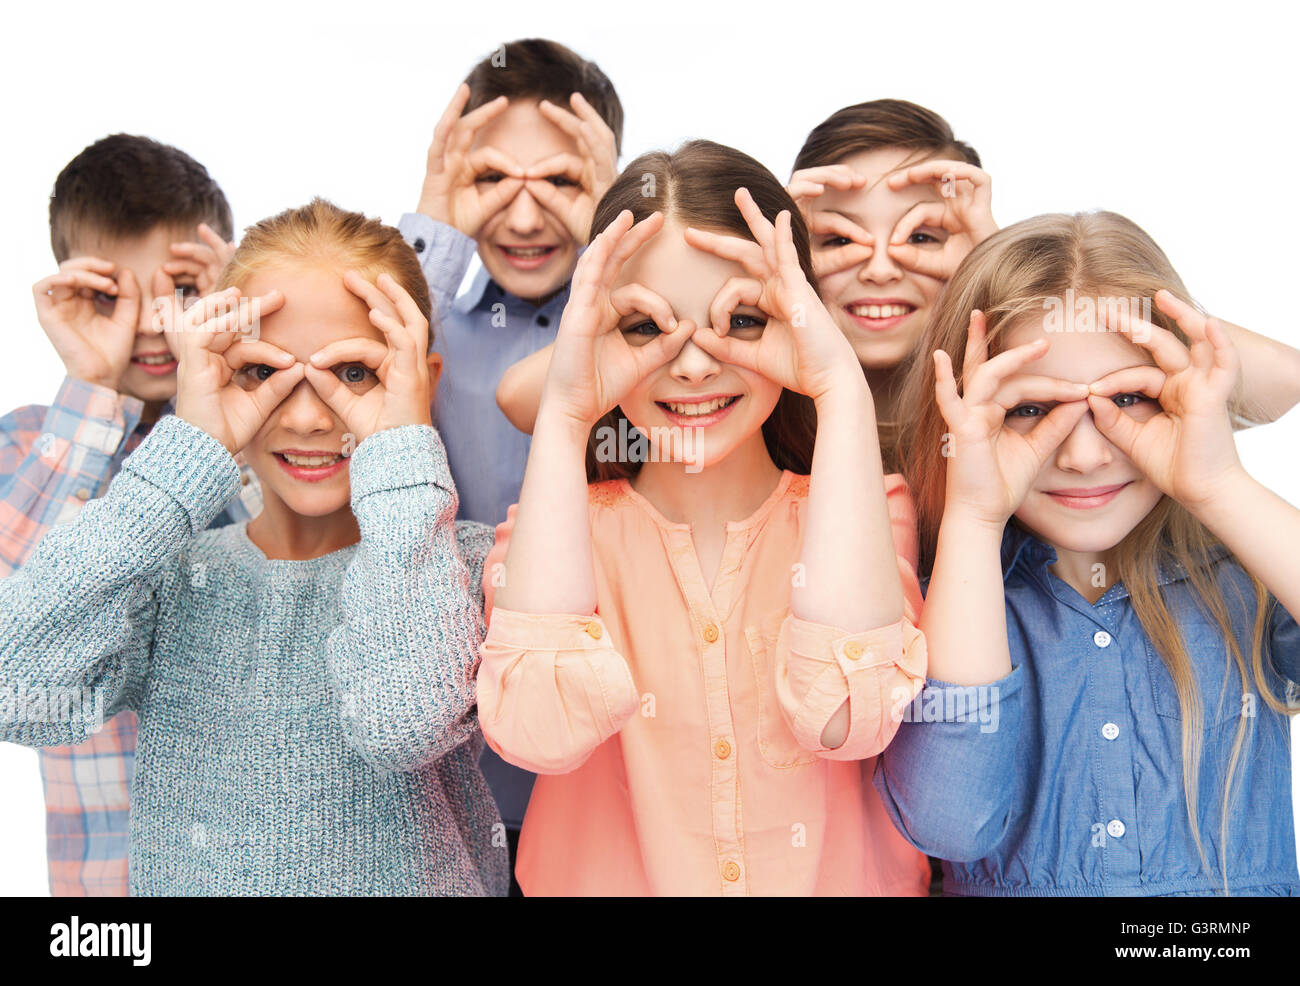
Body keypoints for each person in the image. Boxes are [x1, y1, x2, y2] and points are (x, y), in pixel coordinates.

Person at [0, 199, 507, 895]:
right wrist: (190, 447)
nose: (305, 415)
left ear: (423, 381)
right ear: (214, 376)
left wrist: (399, 446)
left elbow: (402, 722)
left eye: (353, 373)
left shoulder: (466, 566)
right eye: (262, 373)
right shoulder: (174, 579)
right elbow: (14, 685)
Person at [476, 141, 932, 895]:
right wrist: (564, 410)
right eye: (646, 326)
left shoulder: (870, 512)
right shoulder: (549, 538)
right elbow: (537, 732)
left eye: (743, 320)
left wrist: (839, 387)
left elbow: (848, 720)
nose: (692, 365)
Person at [876, 211, 1299, 895]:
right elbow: (951, 824)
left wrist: (1218, 484)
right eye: (1032, 410)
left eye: (1128, 398)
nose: (1083, 454)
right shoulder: (943, 593)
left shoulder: (1243, 569)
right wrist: (975, 517)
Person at [0, 134, 250, 896]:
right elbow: (17, 623)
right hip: (113, 882)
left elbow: (300, 554)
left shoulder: (269, 431)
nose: (150, 324)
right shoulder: (32, 442)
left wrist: (234, 371)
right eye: (113, 296)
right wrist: (90, 389)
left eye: (180, 290)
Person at [398, 38, 623, 878]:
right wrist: (431, 221)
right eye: (492, 180)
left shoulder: (644, 338)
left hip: (611, 781)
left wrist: (615, 234)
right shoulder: (429, 338)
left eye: (562, 184)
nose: (525, 219)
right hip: (449, 785)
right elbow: (357, 368)